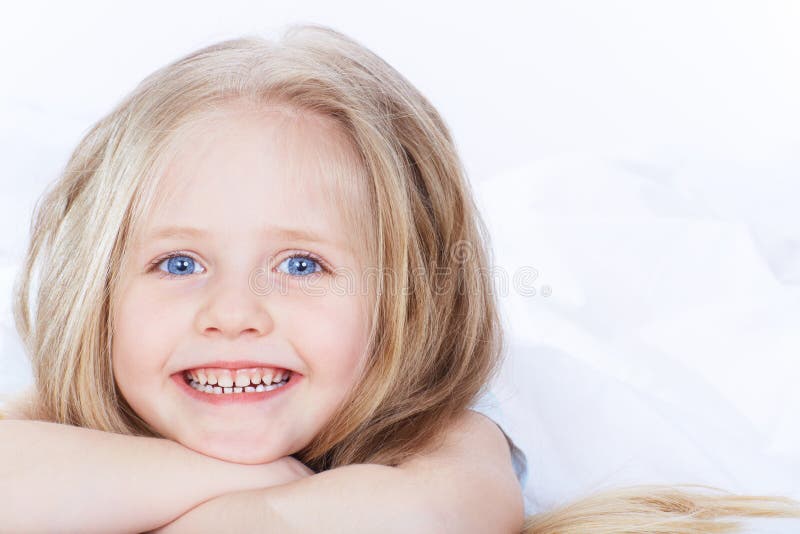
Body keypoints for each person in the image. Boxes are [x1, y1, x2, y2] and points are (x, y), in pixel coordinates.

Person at [0, 23, 797, 534]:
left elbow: (428, 515)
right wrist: (245, 472)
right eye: (179, 263)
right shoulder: (90, 395)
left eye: (301, 264)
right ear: (97, 297)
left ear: (406, 307)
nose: (231, 313)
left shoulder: (452, 434)